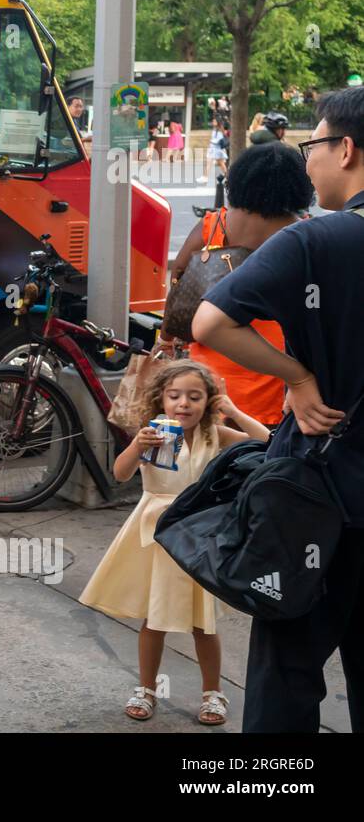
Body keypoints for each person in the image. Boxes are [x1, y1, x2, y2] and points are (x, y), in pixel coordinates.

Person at [193, 86, 364, 732]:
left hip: (312, 499)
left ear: (346, 149)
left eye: (315, 145)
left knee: (286, 676)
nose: (310, 162)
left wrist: (295, 374)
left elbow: (211, 321)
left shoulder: (317, 243)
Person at [80, 360, 270, 725]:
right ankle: (147, 688)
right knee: (155, 618)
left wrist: (232, 411)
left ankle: (212, 693)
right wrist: (136, 445)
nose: (184, 404)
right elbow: (119, 475)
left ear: (207, 402)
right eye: (175, 395)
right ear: (161, 399)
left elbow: (265, 443)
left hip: (197, 532)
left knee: (204, 622)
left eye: (195, 397)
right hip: (157, 532)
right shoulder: (153, 433)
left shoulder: (215, 434)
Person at [169, 144, 313, 428]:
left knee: (210, 464)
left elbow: (180, 272)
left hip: (209, 380)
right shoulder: (303, 234)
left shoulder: (213, 225)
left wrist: (170, 334)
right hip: (274, 373)